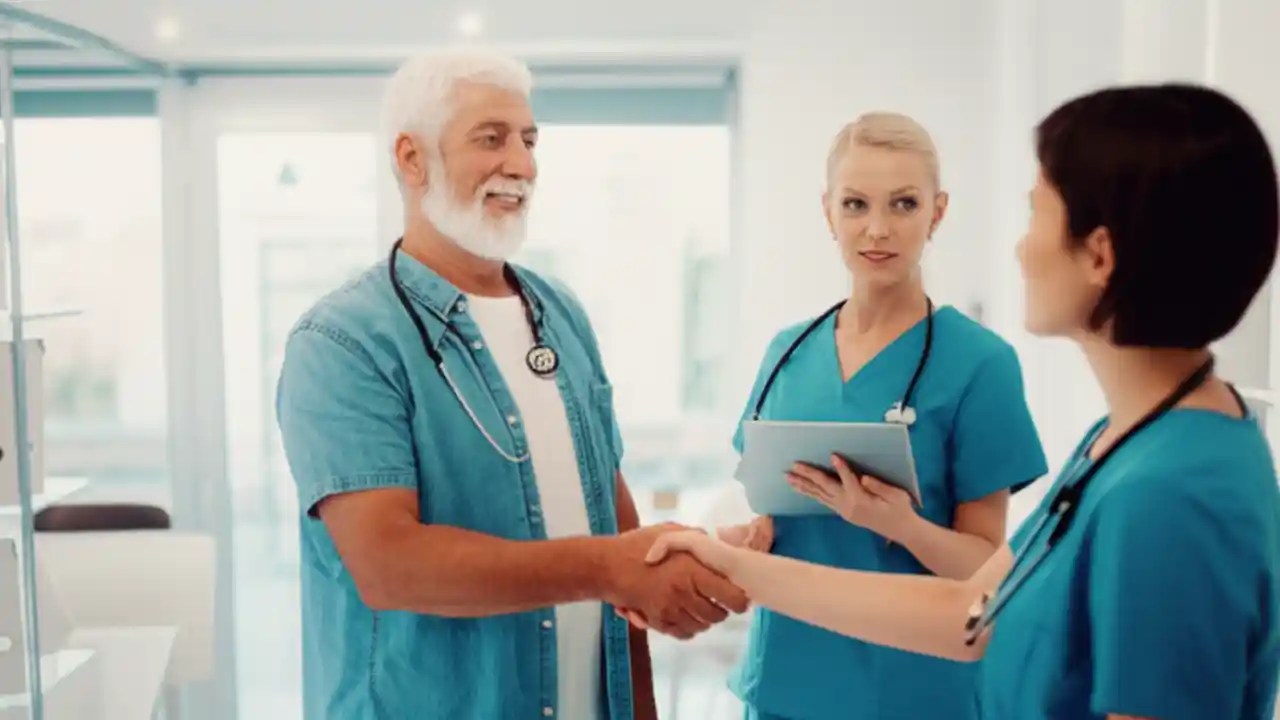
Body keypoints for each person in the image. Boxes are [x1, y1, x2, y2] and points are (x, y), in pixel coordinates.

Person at [649, 83, 1280, 720]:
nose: (1019, 248)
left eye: (1037, 213)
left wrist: (896, 527)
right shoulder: (1125, 443)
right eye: (856, 203)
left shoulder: (1173, 492)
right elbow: (972, 614)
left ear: (1098, 254)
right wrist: (730, 560)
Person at [274, 48, 748, 720]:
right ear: (412, 159)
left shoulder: (560, 315)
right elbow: (389, 565)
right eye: (490, 138)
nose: (521, 165)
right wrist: (609, 566)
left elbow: (616, 524)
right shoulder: (343, 343)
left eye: (529, 140)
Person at [706, 112, 1047, 720]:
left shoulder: (979, 363)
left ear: (937, 213)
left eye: (904, 204)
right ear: (827, 211)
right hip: (785, 680)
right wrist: (757, 535)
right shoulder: (788, 351)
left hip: (911, 692)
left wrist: (899, 523)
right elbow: (774, 513)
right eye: (857, 204)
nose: (878, 229)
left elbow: (985, 571)